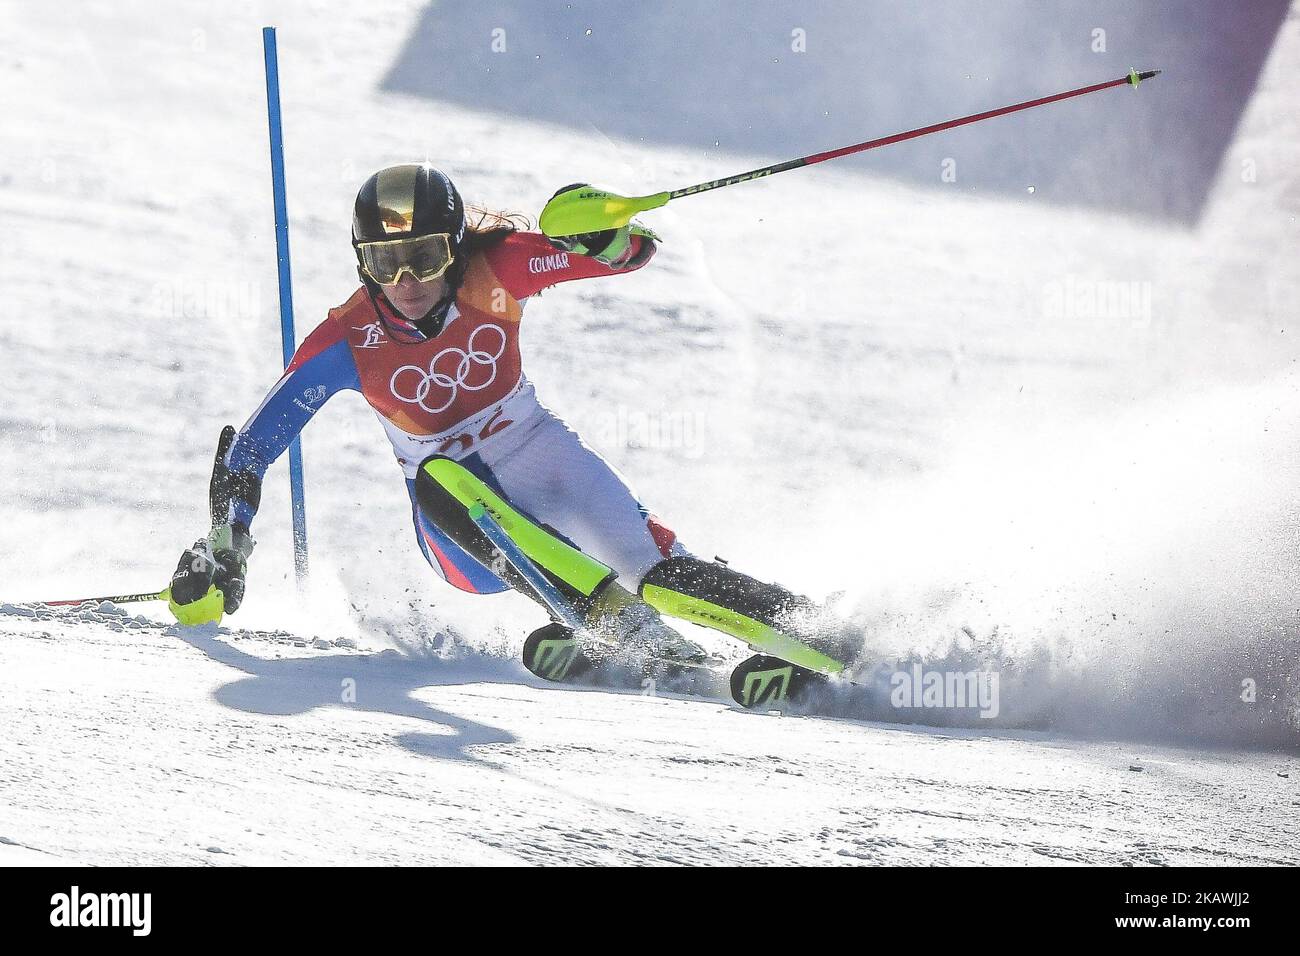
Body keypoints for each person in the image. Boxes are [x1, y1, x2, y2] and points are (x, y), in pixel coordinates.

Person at [168, 163, 848, 682]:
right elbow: (254, 446)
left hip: (544, 455)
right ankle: (607, 620)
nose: (406, 283)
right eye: (384, 262)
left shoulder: (496, 269)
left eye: (426, 258)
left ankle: (816, 639)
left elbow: (632, 252)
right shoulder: (348, 340)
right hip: (462, 533)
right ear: (362, 261)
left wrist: (606, 238)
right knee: (440, 474)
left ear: (457, 248)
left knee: (656, 570)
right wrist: (227, 543)